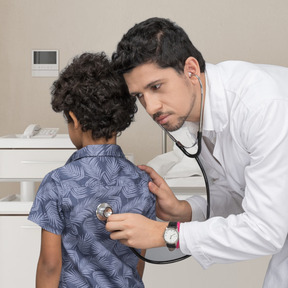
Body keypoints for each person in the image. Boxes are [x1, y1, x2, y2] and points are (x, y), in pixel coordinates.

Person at [105, 17, 288, 287]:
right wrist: (184, 211)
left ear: (191, 70)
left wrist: (167, 233)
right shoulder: (195, 115)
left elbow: (265, 231)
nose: (151, 107)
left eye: (156, 87)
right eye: (140, 96)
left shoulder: (262, 107)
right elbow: (241, 194)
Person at [28, 52, 156, 288]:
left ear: (74, 120)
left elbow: (50, 264)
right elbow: (139, 260)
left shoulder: (57, 183)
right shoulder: (142, 182)